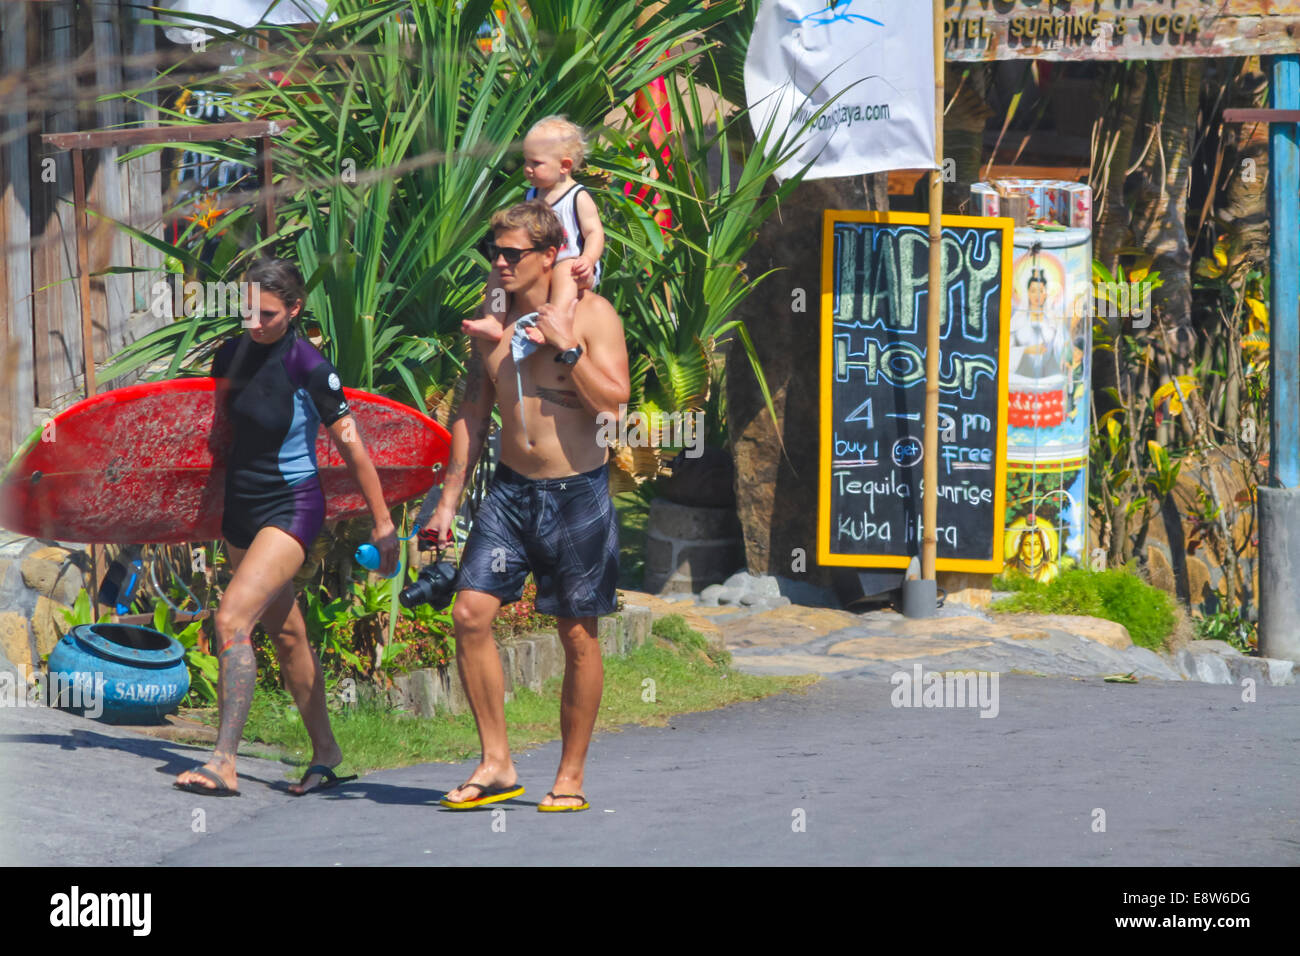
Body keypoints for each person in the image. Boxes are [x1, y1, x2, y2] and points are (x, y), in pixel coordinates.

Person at [426, 200, 630, 812]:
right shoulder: (493, 318)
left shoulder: (591, 315)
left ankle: (569, 775)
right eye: (495, 252)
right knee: (469, 614)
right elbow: (471, 410)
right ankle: (496, 763)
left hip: (576, 495)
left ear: (550, 255)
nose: (501, 263)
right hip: (510, 493)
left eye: (514, 254)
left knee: (577, 636)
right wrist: (447, 503)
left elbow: (616, 415)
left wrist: (568, 350)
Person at [174, 258, 398, 797]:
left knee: (231, 620)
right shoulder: (229, 354)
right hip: (240, 512)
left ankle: (223, 761)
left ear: (294, 309)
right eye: (247, 309)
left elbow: (351, 446)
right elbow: (208, 432)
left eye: (268, 313)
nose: (255, 321)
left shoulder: (309, 366)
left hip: (291, 507)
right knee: (289, 632)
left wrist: (384, 524)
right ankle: (327, 753)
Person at [462, 116, 606, 343]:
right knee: (498, 271)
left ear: (564, 166)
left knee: (564, 272)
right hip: (539, 263)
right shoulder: (532, 194)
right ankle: (495, 317)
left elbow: (594, 232)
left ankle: (552, 324)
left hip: (573, 266)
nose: (527, 169)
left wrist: (588, 259)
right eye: (526, 161)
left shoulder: (578, 197)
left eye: (536, 163)